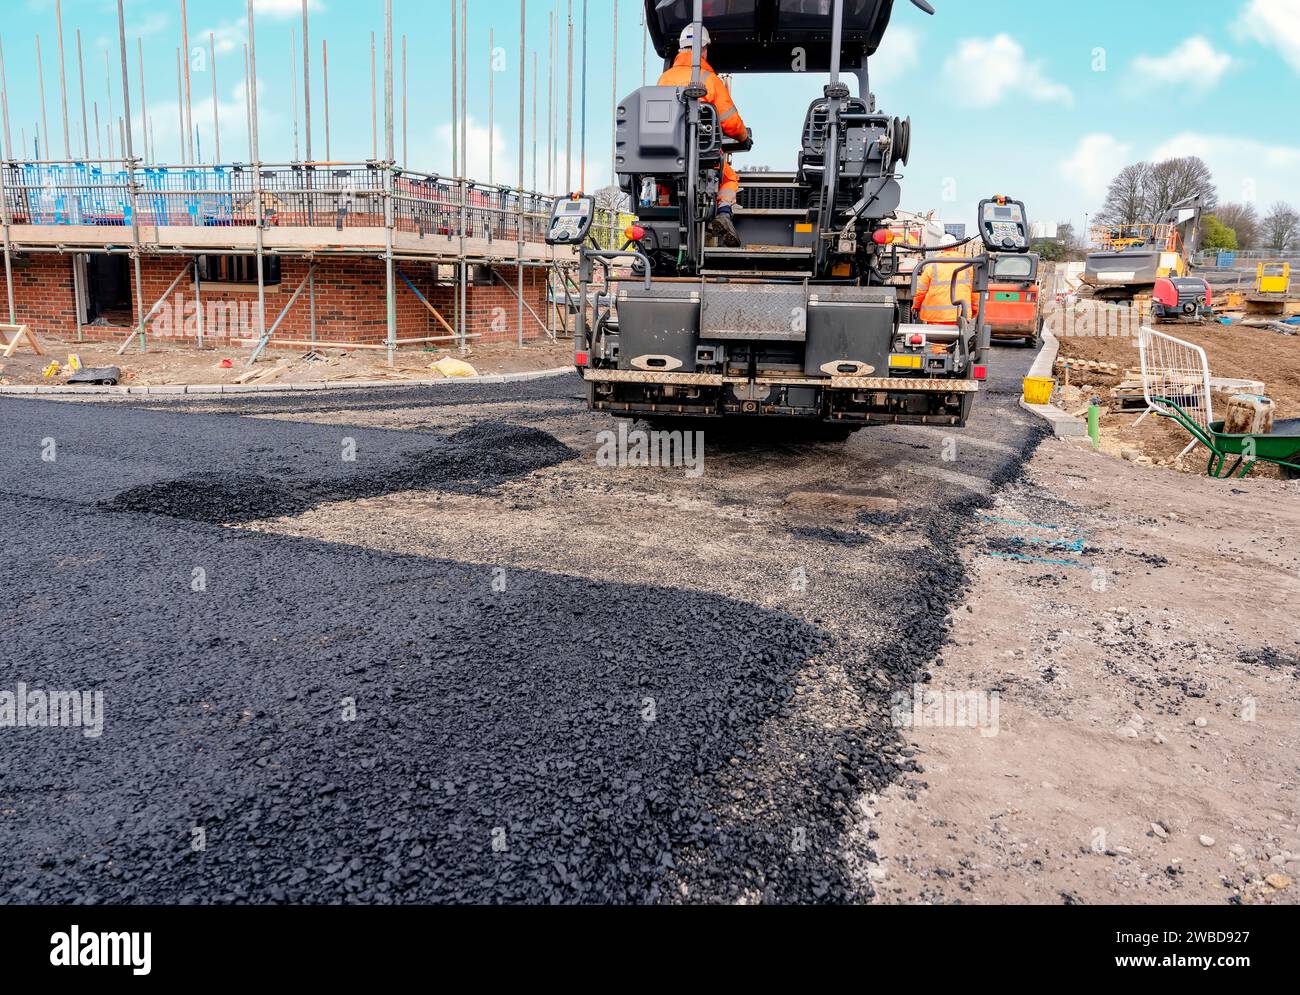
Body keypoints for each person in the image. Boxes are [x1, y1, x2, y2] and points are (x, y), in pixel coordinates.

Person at [658, 24, 749, 247]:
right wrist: (743, 137)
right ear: (704, 49)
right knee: (728, 178)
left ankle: (663, 209)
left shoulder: (664, 80)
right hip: (702, 158)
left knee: (662, 182)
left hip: (665, 157)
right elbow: (729, 120)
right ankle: (724, 214)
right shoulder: (709, 79)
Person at [913, 234, 974, 325]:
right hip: (960, 315)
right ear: (956, 247)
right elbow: (974, 292)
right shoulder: (967, 266)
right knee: (959, 338)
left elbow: (921, 291)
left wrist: (916, 307)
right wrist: (974, 309)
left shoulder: (931, 265)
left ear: (940, 247)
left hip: (935, 317)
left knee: (936, 338)